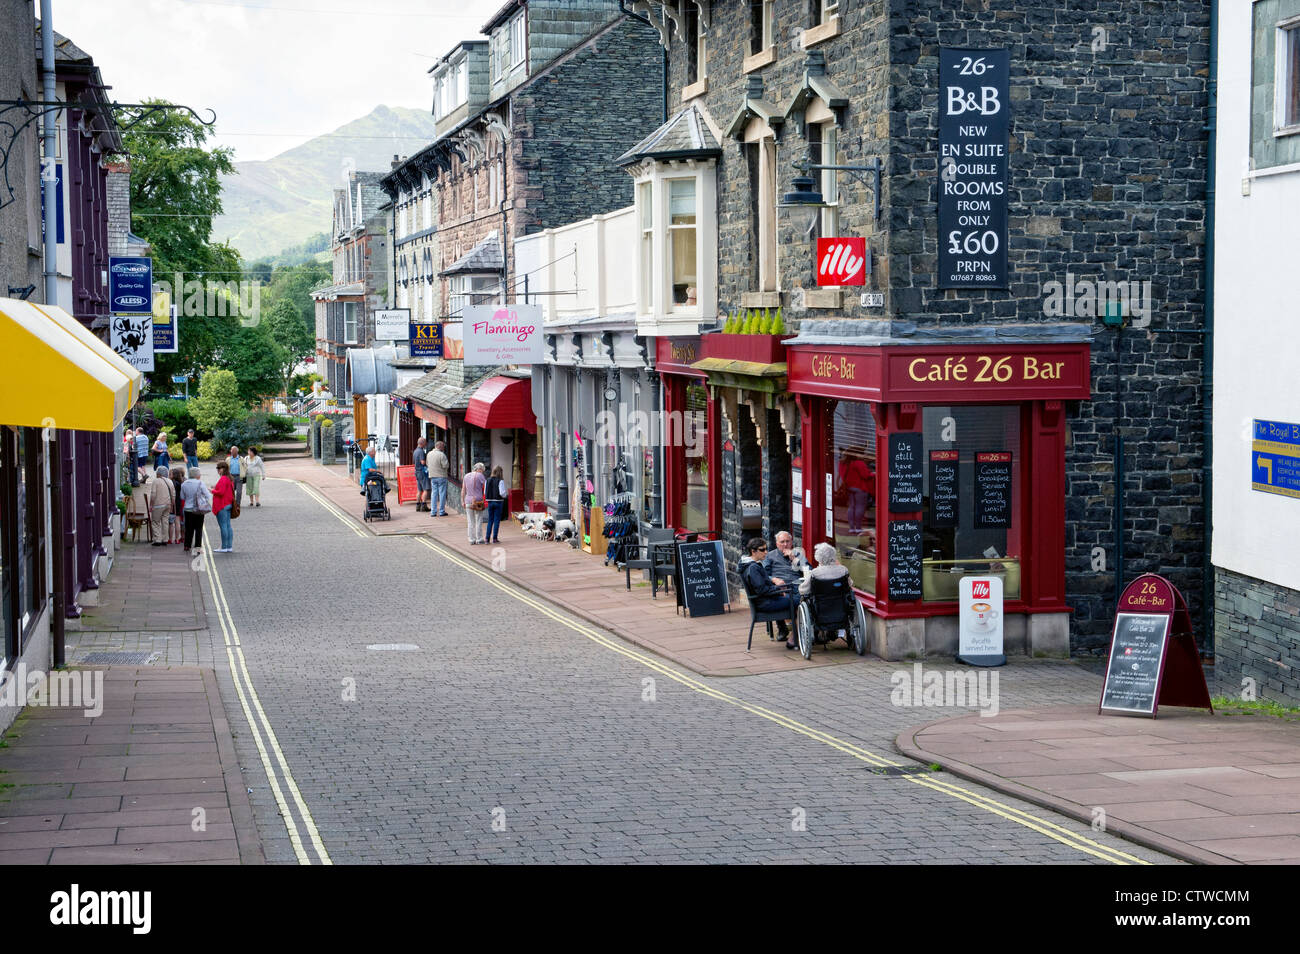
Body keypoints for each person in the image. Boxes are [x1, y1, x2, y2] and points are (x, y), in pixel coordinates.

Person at [740, 537, 797, 646]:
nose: (766, 552)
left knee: (792, 599)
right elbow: (762, 590)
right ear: (753, 551)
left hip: (764, 600)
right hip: (765, 603)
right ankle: (794, 636)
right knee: (798, 601)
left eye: (766, 549)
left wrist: (778, 590)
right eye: (762, 550)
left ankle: (786, 630)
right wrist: (778, 590)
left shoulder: (750, 564)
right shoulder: (753, 568)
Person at [799, 542, 853, 643]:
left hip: (820, 611)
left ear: (818, 558)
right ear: (833, 556)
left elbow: (803, 590)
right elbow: (850, 584)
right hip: (841, 610)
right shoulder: (843, 570)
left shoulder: (815, 573)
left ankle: (818, 634)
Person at [179, 466, 209, 555]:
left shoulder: (184, 484)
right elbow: (207, 495)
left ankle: (187, 545)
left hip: (188, 509)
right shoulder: (200, 483)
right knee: (199, 528)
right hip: (198, 509)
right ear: (197, 475)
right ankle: (197, 547)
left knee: (188, 528)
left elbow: (182, 497)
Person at [146, 467, 174, 547]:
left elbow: (153, 494)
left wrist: (151, 504)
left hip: (158, 505)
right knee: (165, 521)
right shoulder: (170, 481)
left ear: (159, 474)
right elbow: (173, 495)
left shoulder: (156, 481)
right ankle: (165, 539)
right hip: (168, 504)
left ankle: (157, 539)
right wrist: (172, 505)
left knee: (155, 522)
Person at [212, 461, 235, 553]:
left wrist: (212, 490)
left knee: (223, 526)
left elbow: (220, 492)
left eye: (218, 468)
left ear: (222, 469)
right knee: (228, 526)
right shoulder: (229, 478)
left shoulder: (223, 479)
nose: (217, 470)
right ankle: (229, 546)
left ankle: (224, 547)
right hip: (228, 504)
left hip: (222, 505)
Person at [462, 462, 487, 544]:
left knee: (470, 521)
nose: (482, 472)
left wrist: (462, 501)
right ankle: (479, 539)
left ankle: (471, 539)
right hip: (478, 501)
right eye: (482, 470)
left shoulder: (466, 476)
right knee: (479, 520)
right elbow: (486, 487)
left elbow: (463, 490)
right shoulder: (480, 476)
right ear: (479, 469)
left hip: (468, 500)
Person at [484, 465, 506, 544]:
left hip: (490, 502)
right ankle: (495, 538)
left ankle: (487, 539)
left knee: (490, 520)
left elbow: (485, 492)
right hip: (498, 502)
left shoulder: (488, 480)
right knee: (496, 520)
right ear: (500, 473)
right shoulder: (500, 481)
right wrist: (505, 496)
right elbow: (502, 493)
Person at [428, 440, 449, 516]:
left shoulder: (429, 454)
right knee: (442, 494)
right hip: (441, 476)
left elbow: (427, 464)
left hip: (432, 476)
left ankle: (433, 512)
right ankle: (441, 511)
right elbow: (445, 465)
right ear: (440, 446)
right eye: (443, 446)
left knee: (434, 494)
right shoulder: (441, 455)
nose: (444, 448)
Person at [169, 466, 187, 544]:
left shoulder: (172, 483)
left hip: (173, 503)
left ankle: (170, 539)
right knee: (177, 522)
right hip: (179, 503)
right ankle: (177, 539)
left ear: (174, 475)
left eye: (170, 474)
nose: (169, 476)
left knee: (171, 522)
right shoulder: (181, 483)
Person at [412, 437, 431, 512]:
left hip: (417, 472)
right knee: (426, 489)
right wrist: (428, 463)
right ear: (422, 443)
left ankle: (417, 505)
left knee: (419, 490)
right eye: (425, 442)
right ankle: (423, 505)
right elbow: (422, 462)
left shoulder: (415, 451)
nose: (426, 444)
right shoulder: (421, 452)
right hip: (422, 472)